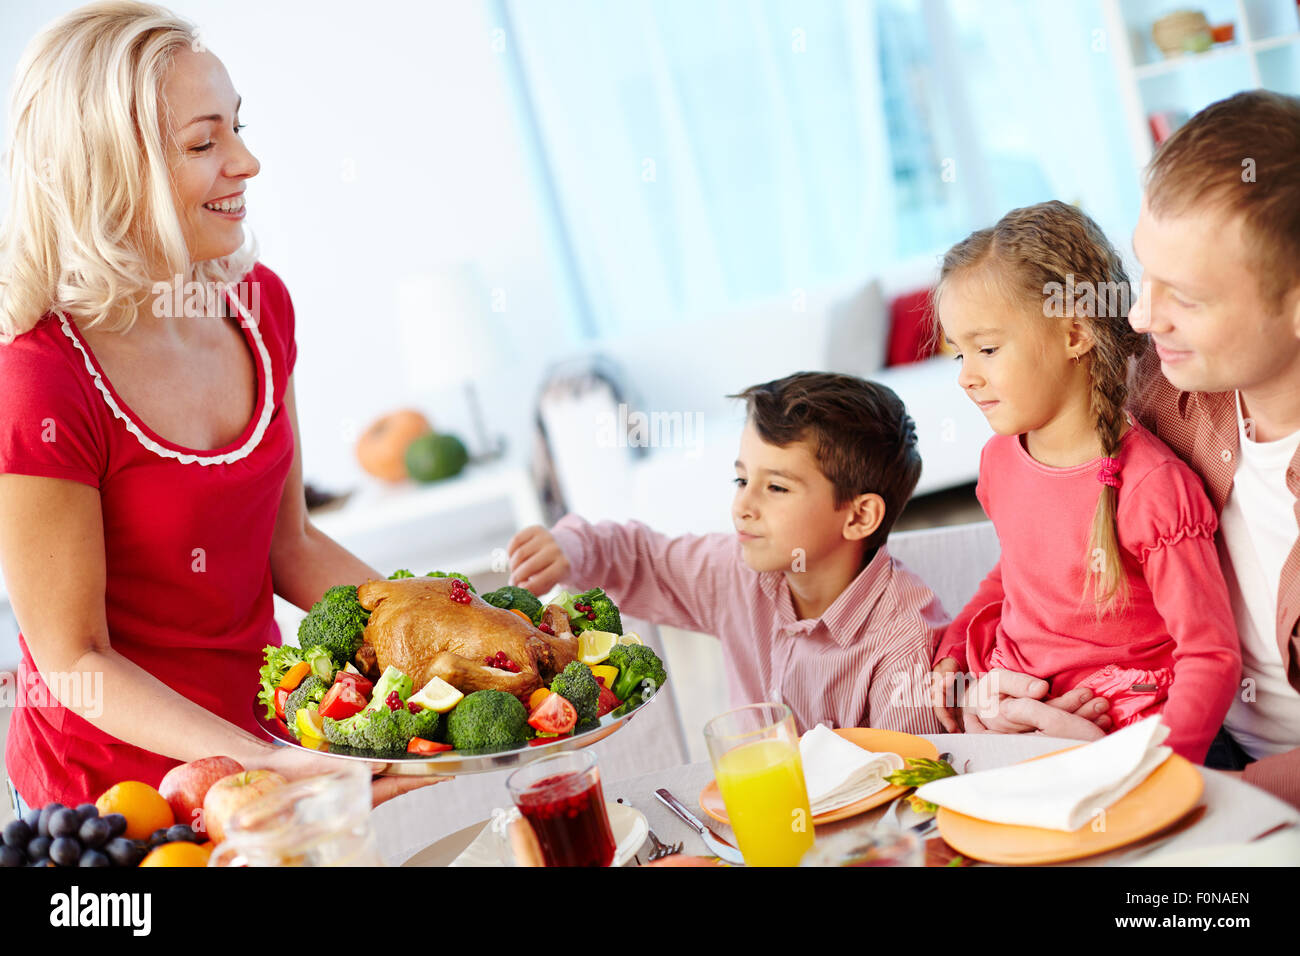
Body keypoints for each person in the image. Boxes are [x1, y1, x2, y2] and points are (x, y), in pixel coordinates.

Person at [0, 2, 435, 813]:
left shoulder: (258, 307)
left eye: (236, 128)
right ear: (107, 169)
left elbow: (291, 545)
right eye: (204, 143)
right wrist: (257, 759)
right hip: (113, 802)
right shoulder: (36, 379)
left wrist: (440, 627)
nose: (247, 162)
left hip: (262, 752)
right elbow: (74, 661)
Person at [929, 201, 1241, 763]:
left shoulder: (1150, 486)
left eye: (988, 349)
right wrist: (956, 644)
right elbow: (1017, 575)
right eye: (959, 354)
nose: (967, 377)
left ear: (1075, 333)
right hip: (1019, 709)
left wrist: (1157, 770)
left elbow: (1210, 653)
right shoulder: (1000, 459)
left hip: (1133, 732)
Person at [508, 371, 947, 735]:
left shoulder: (905, 642)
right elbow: (641, 557)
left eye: (776, 487)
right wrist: (570, 548)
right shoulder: (738, 572)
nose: (743, 506)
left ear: (859, 516)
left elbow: (912, 789)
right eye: (741, 481)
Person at [1123, 91, 1300, 804]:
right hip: (1199, 745)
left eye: (1187, 299)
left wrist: (1209, 791)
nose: (1141, 315)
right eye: (1145, 275)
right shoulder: (1164, 387)